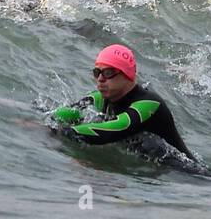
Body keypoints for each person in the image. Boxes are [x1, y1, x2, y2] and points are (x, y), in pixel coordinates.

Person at [49, 44, 194, 160]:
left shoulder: (148, 104)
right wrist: (46, 124)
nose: (100, 79)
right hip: (149, 176)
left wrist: (63, 131)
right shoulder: (101, 98)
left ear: (127, 74)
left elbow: (114, 129)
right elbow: (69, 112)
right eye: (97, 73)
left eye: (108, 73)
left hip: (182, 175)